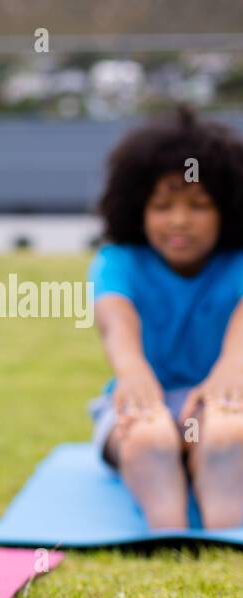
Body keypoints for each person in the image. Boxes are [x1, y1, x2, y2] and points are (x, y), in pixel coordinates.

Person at [89, 106, 243, 529]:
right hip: (147, 403)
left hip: (219, 405)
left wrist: (230, 373)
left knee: (227, 432)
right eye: (162, 205)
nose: (179, 220)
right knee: (150, 437)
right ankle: (166, 528)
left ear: (225, 210)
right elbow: (115, 319)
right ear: (138, 209)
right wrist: (133, 372)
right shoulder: (118, 262)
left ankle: (223, 530)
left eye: (198, 205)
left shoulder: (237, 263)